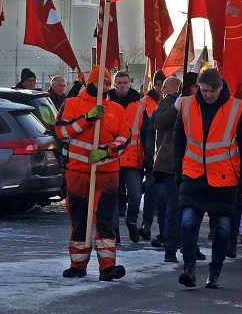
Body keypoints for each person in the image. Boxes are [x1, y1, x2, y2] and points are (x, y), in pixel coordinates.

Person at [173, 68, 242, 289]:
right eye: (204, 90)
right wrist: (177, 170)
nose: (208, 95)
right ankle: (189, 268)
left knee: (222, 229)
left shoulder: (236, 108)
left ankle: (215, 272)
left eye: (211, 91)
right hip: (193, 175)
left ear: (220, 88)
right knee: (188, 222)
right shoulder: (187, 105)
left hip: (224, 179)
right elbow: (179, 139)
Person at [53, 65, 128, 282]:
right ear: (91, 82)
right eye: (101, 83)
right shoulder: (72, 104)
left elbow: (125, 137)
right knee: (79, 221)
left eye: (108, 83)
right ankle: (77, 265)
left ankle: (107, 266)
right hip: (78, 174)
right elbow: (61, 131)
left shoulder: (116, 109)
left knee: (105, 221)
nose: (105, 87)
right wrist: (87, 118)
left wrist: (106, 151)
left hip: (107, 175)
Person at [107, 71, 149, 244]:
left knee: (136, 195)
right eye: (119, 82)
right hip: (112, 157)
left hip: (133, 158)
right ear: (114, 84)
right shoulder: (106, 103)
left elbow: (146, 132)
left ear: (129, 84)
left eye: (125, 82)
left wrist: (148, 156)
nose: (122, 85)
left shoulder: (140, 105)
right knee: (114, 197)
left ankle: (131, 221)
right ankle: (114, 229)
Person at [151, 76, 182, 262]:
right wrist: (175, 107)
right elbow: (159, 123)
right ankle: (170, 246)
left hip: (188, 163)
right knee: (172, 207)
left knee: (188, 209)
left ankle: (188, 245)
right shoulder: (169, 103)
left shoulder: (194, 102)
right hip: (170, 163)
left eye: (165, 87)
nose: (162, 90)